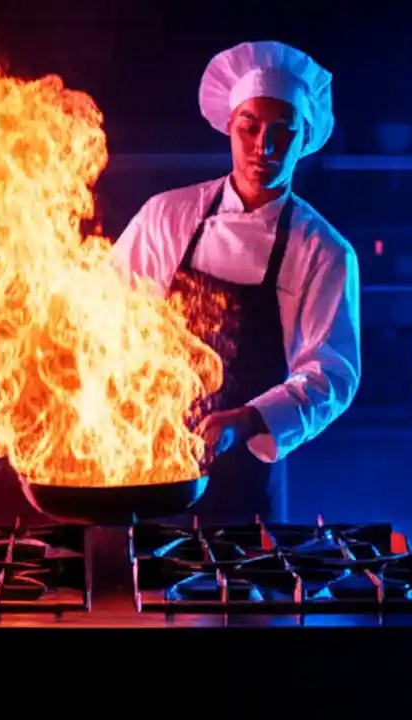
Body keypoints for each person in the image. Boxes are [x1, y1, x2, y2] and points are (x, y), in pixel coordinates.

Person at [111, 40, 361, 525]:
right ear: (229, 125)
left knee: (240, 595)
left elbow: (331, 375)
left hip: (246, 474)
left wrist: (245, 420)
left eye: (282, 134)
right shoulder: (165, 217)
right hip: (144, 462)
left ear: (305, 138)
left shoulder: (324, 251)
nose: (262, 147)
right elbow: (105, 318)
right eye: (249, 127)